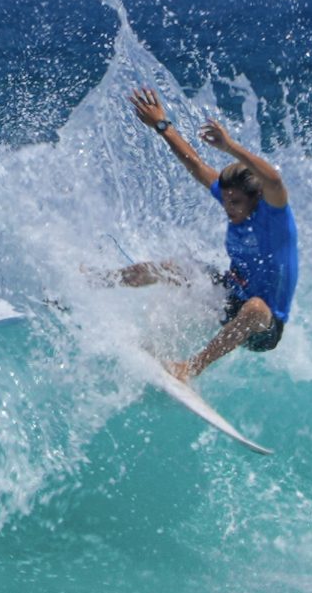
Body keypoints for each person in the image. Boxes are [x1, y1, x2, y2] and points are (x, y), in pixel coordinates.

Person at [119, 86, 299, 383]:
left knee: (254, 307)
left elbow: (275, 179)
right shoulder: (233, 200)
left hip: (263, 325)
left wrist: (230, 147)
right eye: (226, 201)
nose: (229, 209)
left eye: (236, 203)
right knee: (171, 268)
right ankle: (95, 282)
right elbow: (197, 166)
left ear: (255, 198)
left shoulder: (275, 218)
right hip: (229, 296)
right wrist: (162, 125)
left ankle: (189, 368)